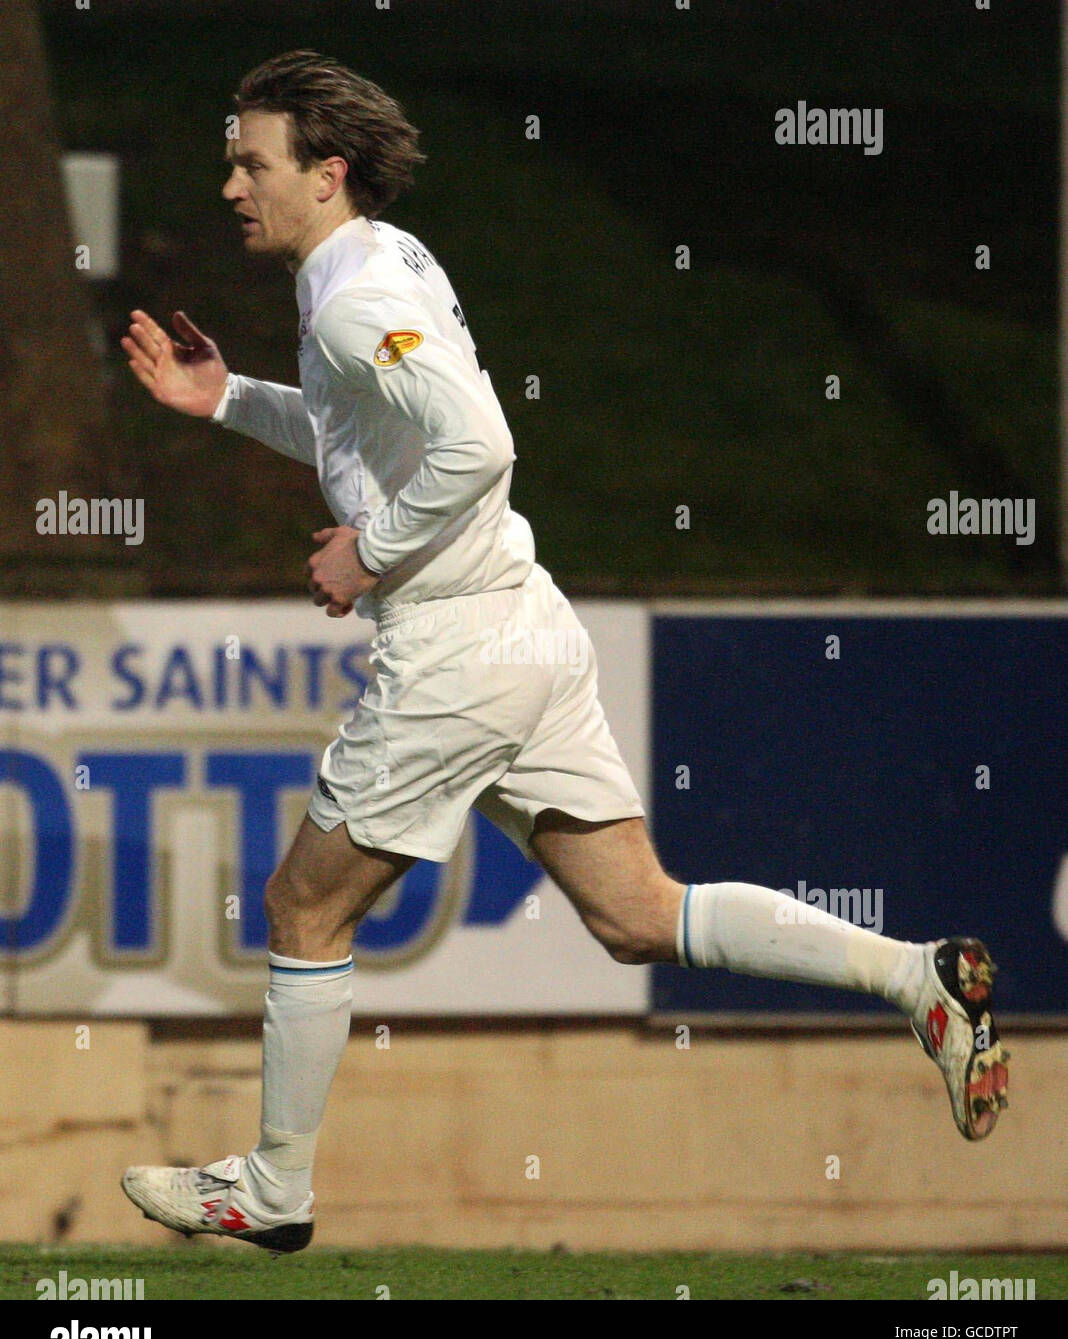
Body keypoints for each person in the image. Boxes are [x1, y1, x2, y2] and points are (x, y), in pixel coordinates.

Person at [119, 50, 1008, 1254]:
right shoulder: (380, 260)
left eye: (250, 161)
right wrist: (231, 400)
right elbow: (369, 434)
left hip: (456, 653)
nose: (230, 184)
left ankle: (274, 1189)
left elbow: (478, 447)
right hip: (524, 625)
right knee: (641, 913)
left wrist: (369, 551)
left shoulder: (351, 296)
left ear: (324, 174)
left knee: (302, 905)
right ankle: (919, 979)